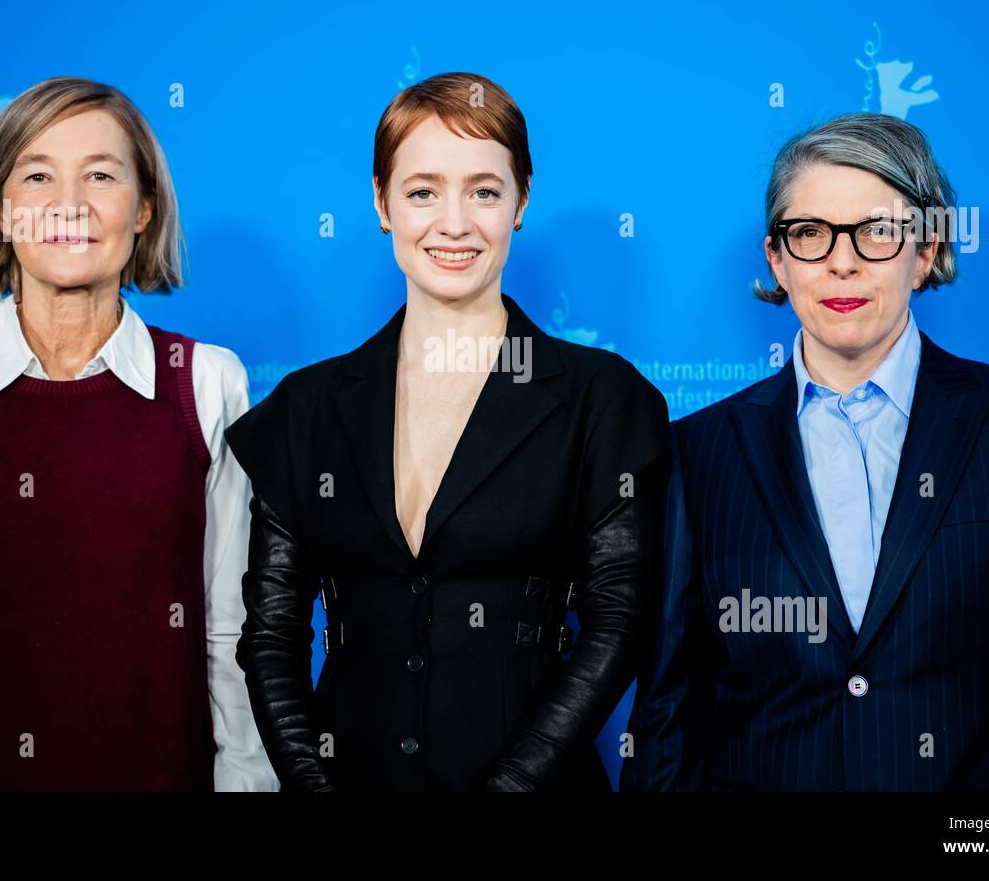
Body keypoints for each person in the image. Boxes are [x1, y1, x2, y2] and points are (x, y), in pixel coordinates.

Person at [622, 112, 989, 791]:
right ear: (776, 258)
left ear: (925, 253)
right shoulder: (699, 453)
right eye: (809, 233)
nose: (842, 259)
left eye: (877, 232)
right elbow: (667, 713)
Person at [0, 77, 277, 791]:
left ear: (144, 208)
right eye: (37, 176)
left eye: (100, 175)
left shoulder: (206, 381)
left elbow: (231, 635)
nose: (70, 205)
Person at [224, 71, 670, 791]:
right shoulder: (305, 410)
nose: (454, 223)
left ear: (521, 201)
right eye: (424, 190)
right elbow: (272, 638)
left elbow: (617, 627)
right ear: (381, 202)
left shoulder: (604, 401)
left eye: (484, 192)